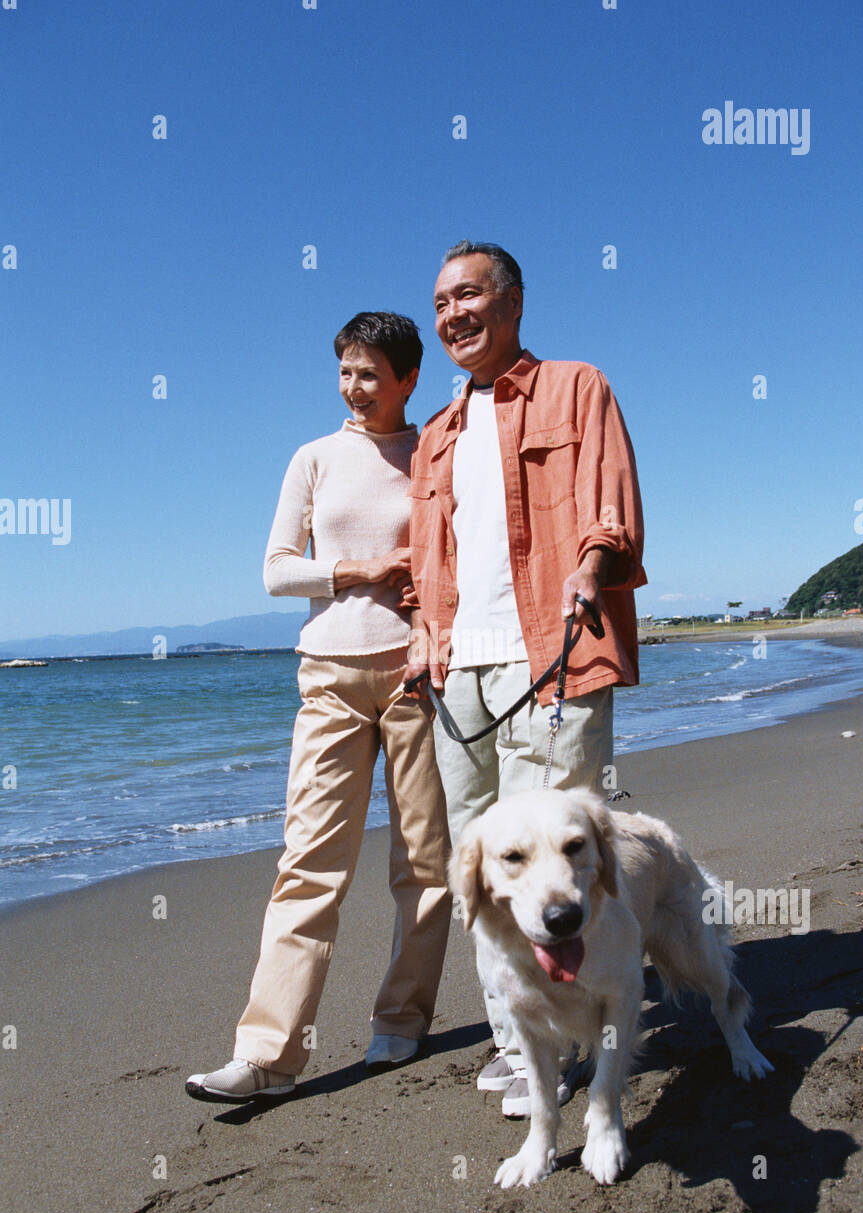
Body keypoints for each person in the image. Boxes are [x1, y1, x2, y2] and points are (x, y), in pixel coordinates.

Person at [404, 241, 646, 1117]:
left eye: (467, 294)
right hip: (459, 680)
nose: (450, 314)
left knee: (564, 860)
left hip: (556, 655)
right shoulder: (437, 432)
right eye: (438, 303)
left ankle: (593, 1026)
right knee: (485, 869)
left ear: (511, 301)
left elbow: (609, 498)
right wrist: (424, 633)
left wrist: (593, 563)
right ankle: (521, 1043)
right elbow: (427, 563)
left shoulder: (577, 386)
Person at [187, 312, 453, 1102]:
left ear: (408, 379)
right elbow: (275, 571)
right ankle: (267, 1056)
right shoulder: (313, 457)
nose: (353, 386)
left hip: (416, 675)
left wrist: (430, 600)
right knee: (308, 864)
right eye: (345, 371)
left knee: (425, 864)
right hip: (329, 674)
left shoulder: (435, 452)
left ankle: (401, 1023)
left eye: (370, 373)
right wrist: (363, 567)